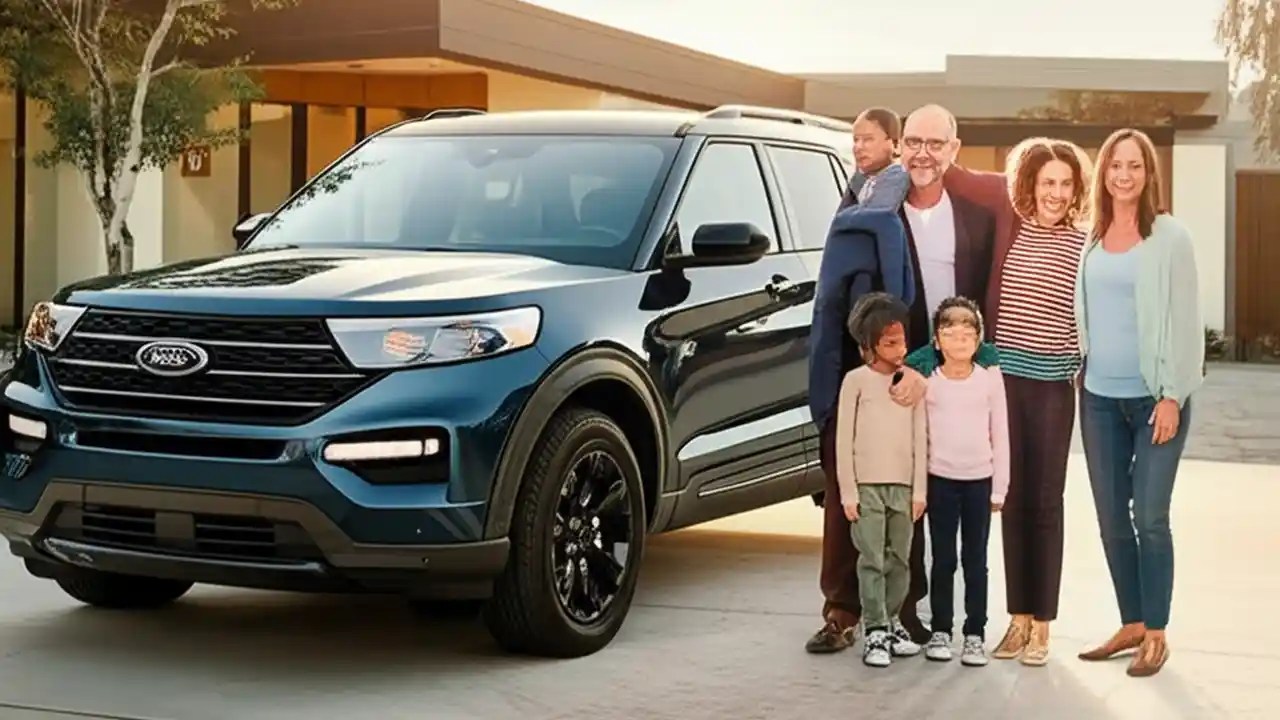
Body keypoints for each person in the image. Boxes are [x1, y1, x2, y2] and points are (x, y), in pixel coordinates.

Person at [807, 102, 1006, 653]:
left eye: (935, 144)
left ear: (953, 151)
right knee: (859, 492)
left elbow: (981, 299)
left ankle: (905, 610)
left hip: (946, 372)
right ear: (900, 147)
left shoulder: (973, 220)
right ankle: (842, 610)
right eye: (913, 141)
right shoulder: (873, 212)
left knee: (921, 494)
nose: (923, 153)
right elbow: (836, 298)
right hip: (880, 368)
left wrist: (948, 368)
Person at [1074, 128, 1204, 678]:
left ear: (1150, 174)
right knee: (1110, 521)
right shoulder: (1094, 234)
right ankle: (1130, 623)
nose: (1124, 176)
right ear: (1104, 173)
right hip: (1099, 398)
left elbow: (1188, 322)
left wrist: (1173, 394)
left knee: (1149, 517)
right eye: (1115, 166)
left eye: (1135, 166)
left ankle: (1156, 631)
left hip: (1156, 400)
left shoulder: (1170, 237)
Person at [981, 137, 1092, 666]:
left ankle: (1043, 626)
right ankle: (1017, 620)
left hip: (1053, 389)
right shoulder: (1010, 233)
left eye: (1066, 184)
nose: (1056, 193)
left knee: (1047, 503)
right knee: (1013, 500)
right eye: (1047, 182)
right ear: (1030, 184)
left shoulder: (1082, 245)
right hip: (1006, 386)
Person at [833, 292, 927, 667]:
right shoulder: (855, 382)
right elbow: (844, 441)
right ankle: (873, 629)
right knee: (870, 558)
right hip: (867, 488)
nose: (901, 348)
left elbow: (921, 438)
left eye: (903, 340)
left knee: (899, 559)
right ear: (870, 345)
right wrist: (848, 492)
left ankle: (891, 622)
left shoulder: (912, 385)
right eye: (891, 342)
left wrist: (919, 490)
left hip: (903, 488)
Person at [916, 297, 1010, 668]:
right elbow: (919, 435)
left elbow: (1000, 432)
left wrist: (1000, 486)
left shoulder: (989, 380)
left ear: (979, 340)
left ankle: (975, 633)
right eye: (949, 330)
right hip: (940, 480)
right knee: (942, 559)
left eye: (968, 331)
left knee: (976, 560)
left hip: (979, 481)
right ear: (936, 341)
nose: (959, 337)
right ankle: (941, 629)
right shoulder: (928, 382)